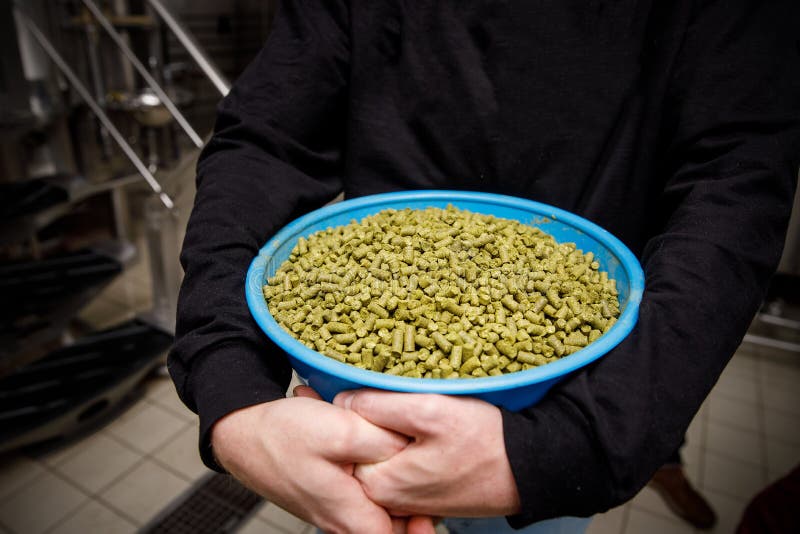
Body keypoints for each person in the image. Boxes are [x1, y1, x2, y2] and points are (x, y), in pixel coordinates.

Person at [169, 2, 800, 533]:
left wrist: (584, 440)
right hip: (356, 400)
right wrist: (234, 393)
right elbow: (265, 137)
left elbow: (736, 177)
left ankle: (666, 461)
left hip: (564, 402)